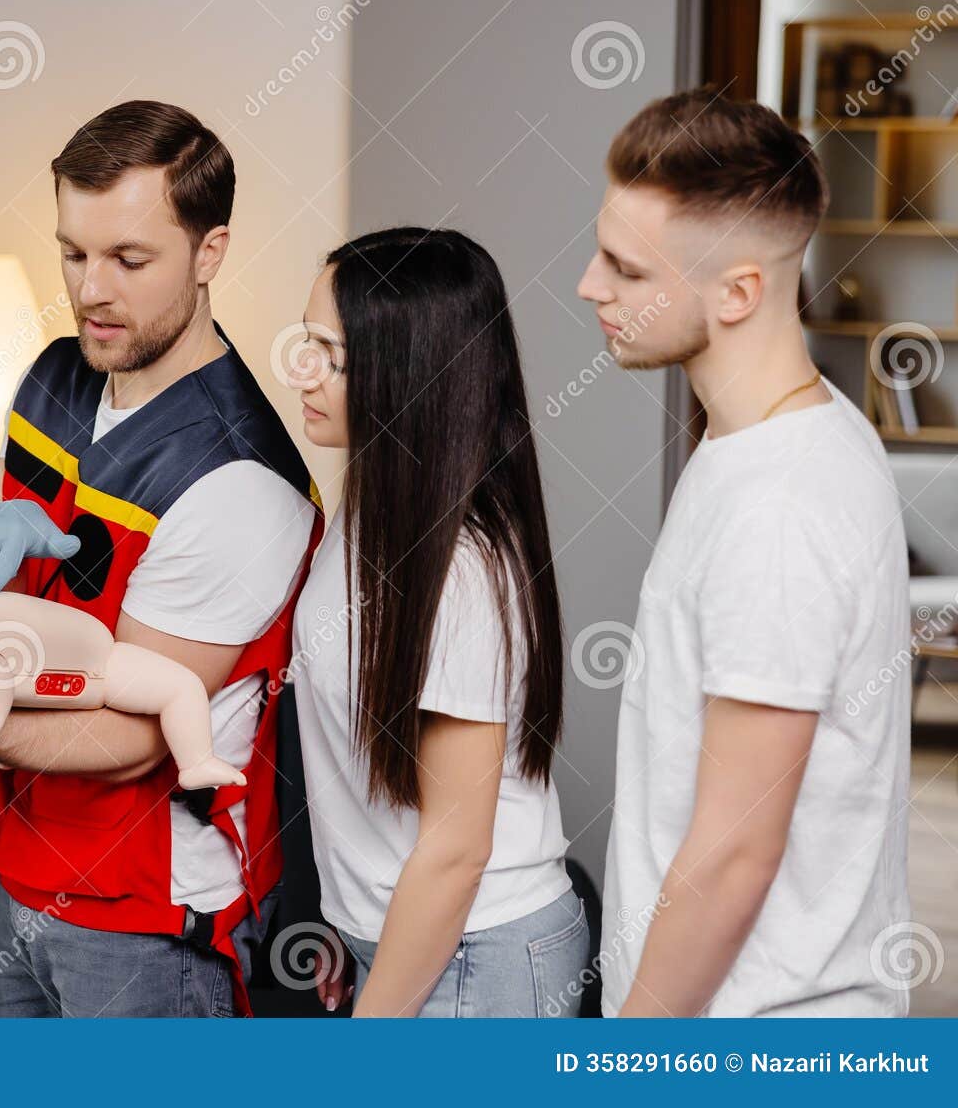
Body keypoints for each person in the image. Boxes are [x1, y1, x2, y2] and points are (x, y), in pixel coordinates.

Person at [0, 100, 321, 1017]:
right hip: (24, 873)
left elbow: (131, 739)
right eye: (74, 253)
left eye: (129, 259)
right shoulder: (52, 376)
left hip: (151, 919)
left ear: (210, 252)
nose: (91, 290)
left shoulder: (238, 477)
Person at [577, 88, 911, 1016]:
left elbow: (735, 853)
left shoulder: (780, 505)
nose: (589, 286)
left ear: (738, 292)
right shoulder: (769, 438)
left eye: (625, 269)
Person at [290, 227, 587, 1017]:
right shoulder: (376, 504)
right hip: (419, 937)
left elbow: (457, 849)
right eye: (306, 340)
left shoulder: (459, 568)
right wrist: (355, 925)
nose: (304, 371)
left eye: (333, 353)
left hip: (478, 953)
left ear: (407, 373)